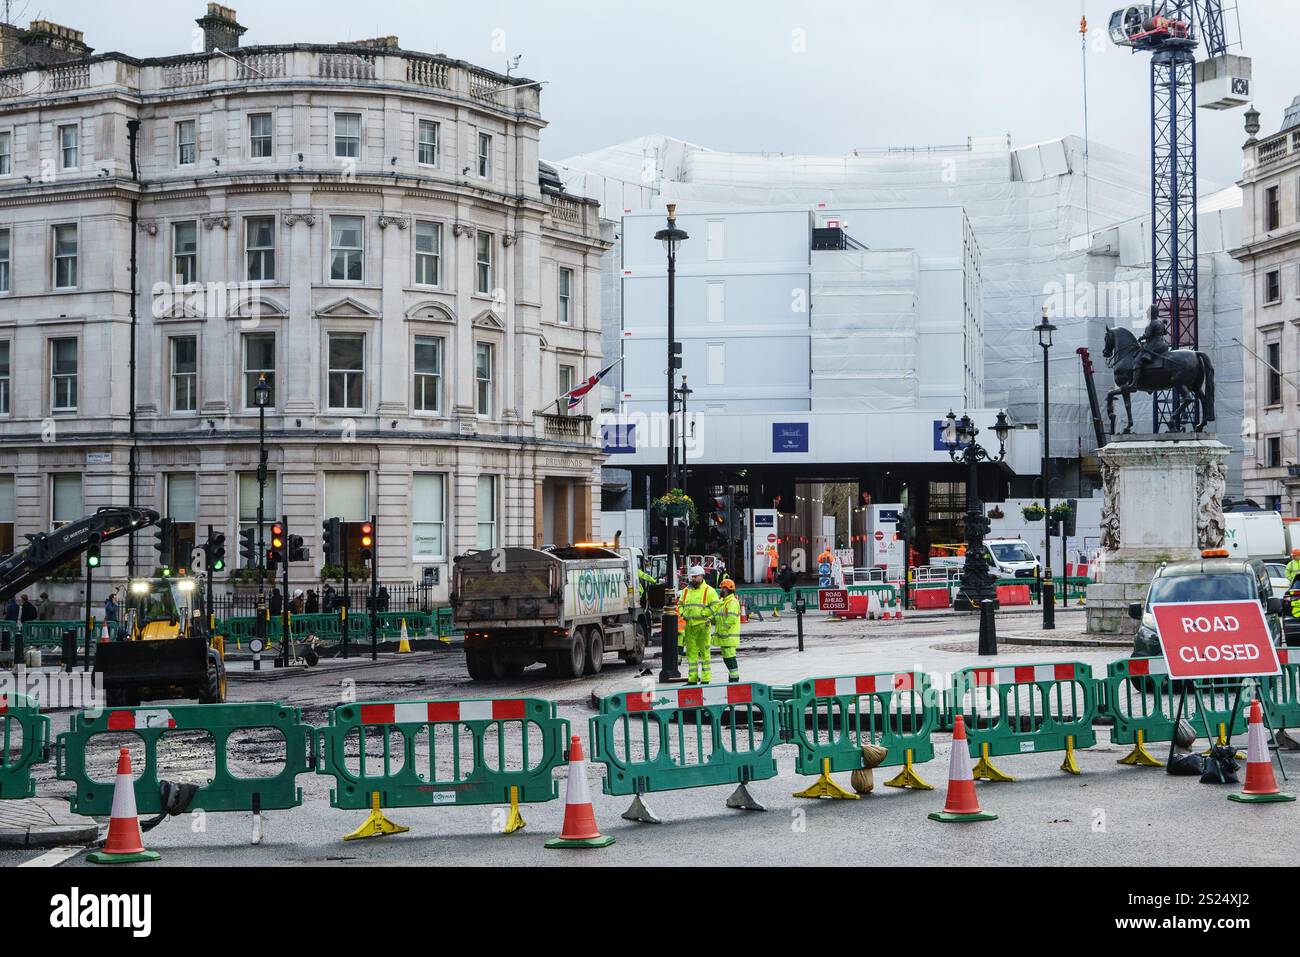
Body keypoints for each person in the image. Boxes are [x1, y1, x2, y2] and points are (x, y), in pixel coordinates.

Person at [678, 564, 719, 685]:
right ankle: (692, 679)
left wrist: (704, 614)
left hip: (702, 626)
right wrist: (683, 613)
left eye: (696, 577)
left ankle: (705, 679)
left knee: (704, 653)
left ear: (702, 576)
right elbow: (680, 605)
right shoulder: (686, 591)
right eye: (692, 577)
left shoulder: (709, 591)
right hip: (690, 626)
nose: (694, 579)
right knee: (691, 654)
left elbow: (716, 606)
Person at [711, 578, 743, 683]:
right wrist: (710, 620)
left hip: (728, 636)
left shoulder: (732, 602)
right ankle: (732, 678)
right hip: (725, 637)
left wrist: (723, 630)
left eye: (722, 588)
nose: (721, 590)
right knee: (727, 658)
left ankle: (734, 679)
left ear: (727, 589)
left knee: (730, 658)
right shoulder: (724, 602)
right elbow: (718, 616)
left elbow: (731, 619)